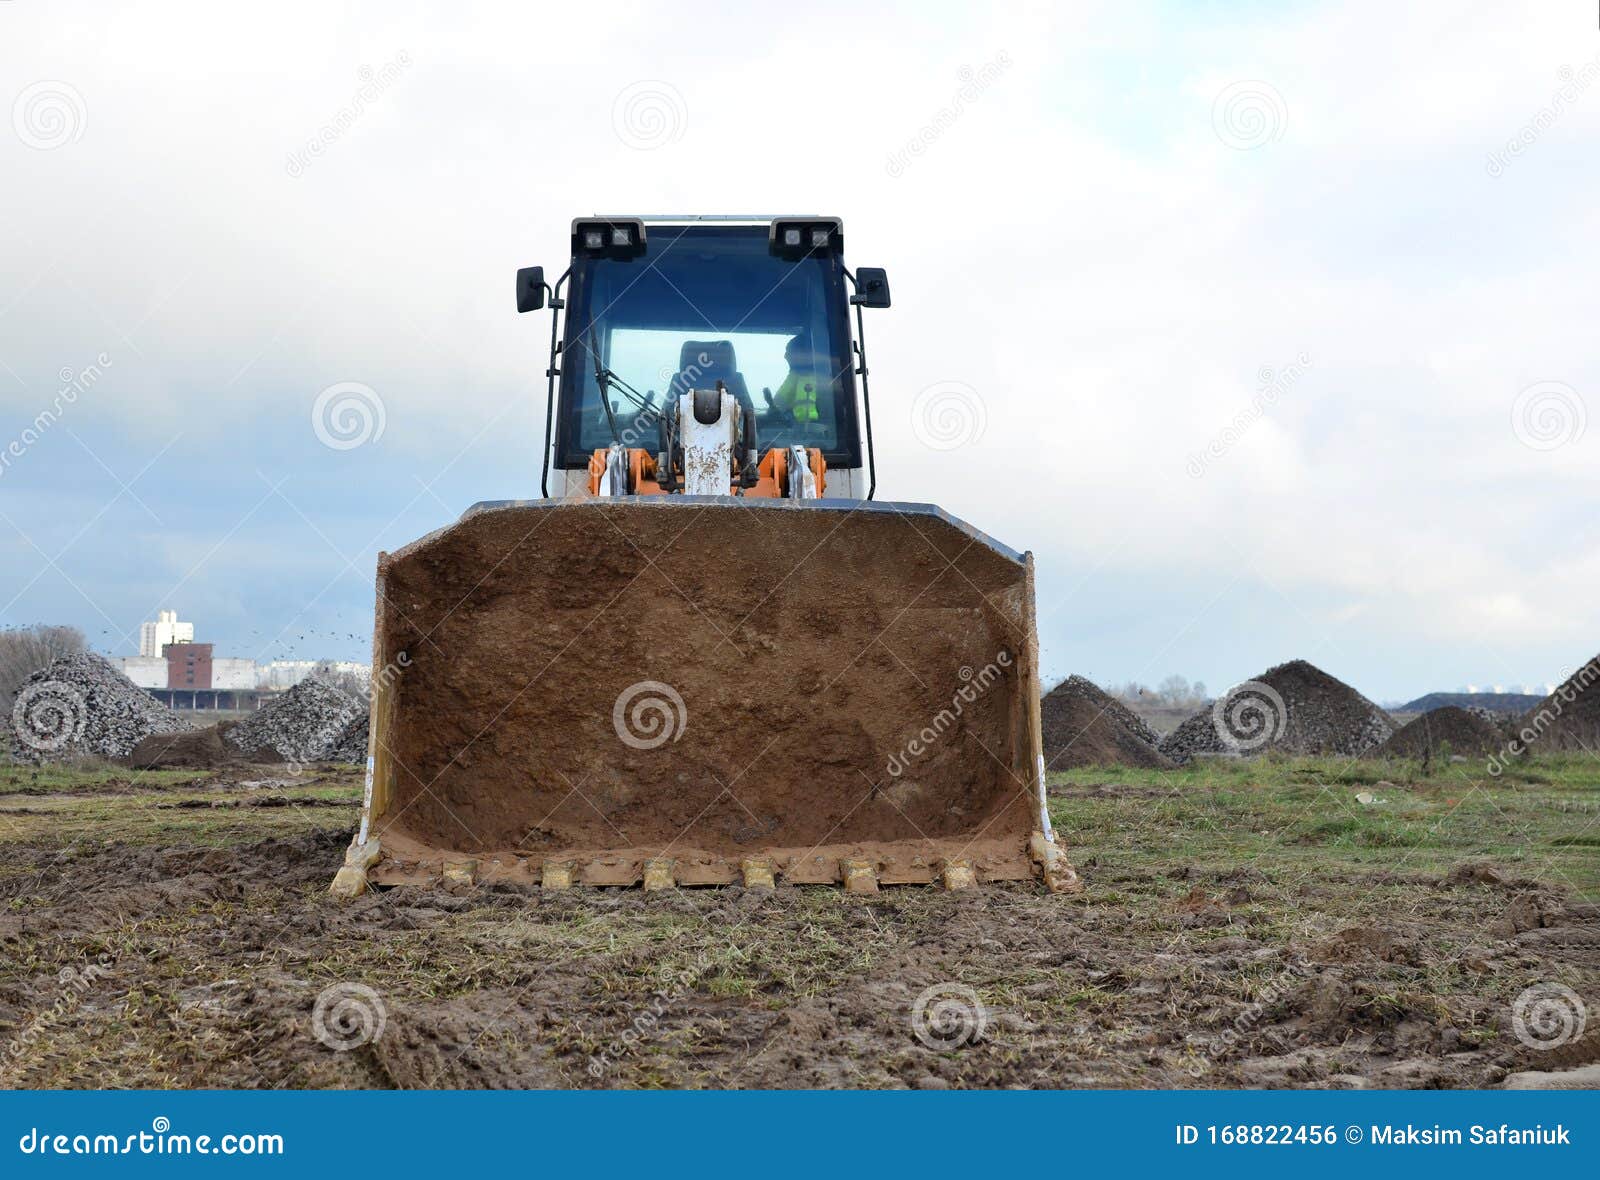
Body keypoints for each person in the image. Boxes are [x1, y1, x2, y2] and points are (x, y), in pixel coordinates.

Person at [770, 335, 833, 430]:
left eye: (790, 351)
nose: (785, 356)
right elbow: (775, 410)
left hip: (824, 435)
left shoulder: (830, 378)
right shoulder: (794, 378)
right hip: (799, 434)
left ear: (806, 354)